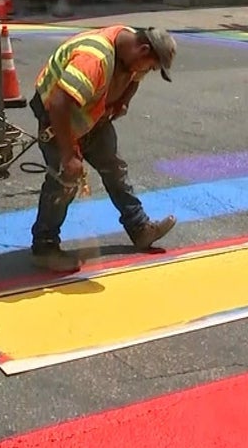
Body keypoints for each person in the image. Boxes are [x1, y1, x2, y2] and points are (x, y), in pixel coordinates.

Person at [29, 24, 179, 272]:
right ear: (143, 51)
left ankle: (139, 228)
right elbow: (58, 103)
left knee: (114, 168)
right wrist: (69, 155)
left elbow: (135, 78)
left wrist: (122, 102)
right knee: (64, 181)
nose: (149, 72)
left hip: (92, 114)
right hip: (58, 119)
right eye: (151, 66)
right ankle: (44, 247)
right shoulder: (94, 59)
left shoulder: (131, 50)